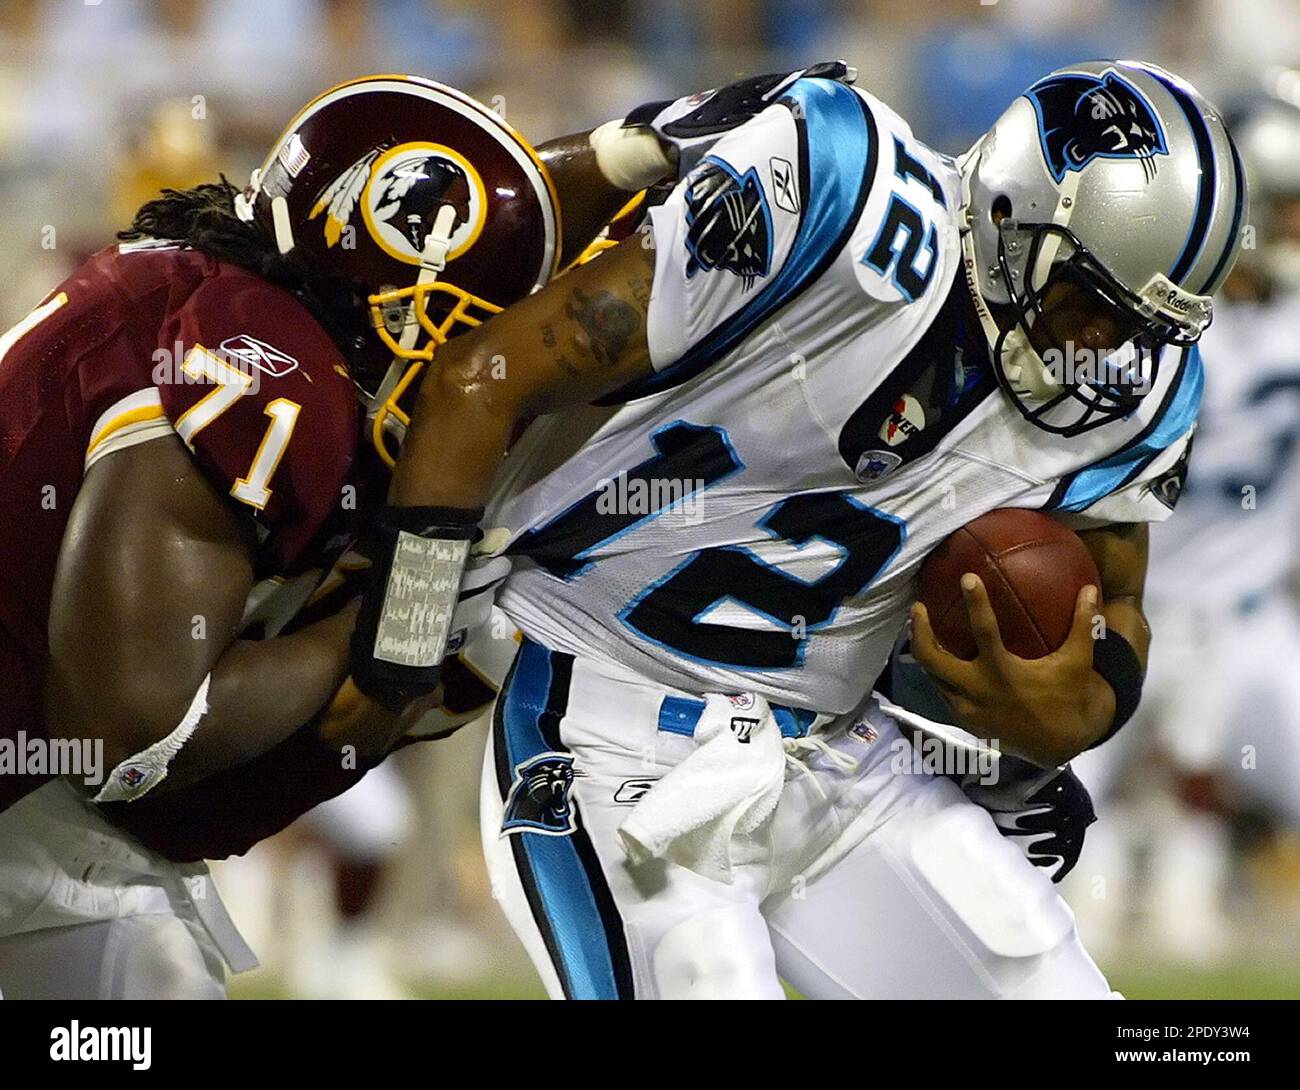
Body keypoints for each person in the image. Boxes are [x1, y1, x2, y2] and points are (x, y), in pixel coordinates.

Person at [351, 61, 1245, 998]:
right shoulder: (840, 190)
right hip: (605, 728)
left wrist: (1062, 722)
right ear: (1016, 209)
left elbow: (1119, 610)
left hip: (843, 757)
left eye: (1146, 328)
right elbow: (478, 380)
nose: (1108, 354)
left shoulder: (1138, 393)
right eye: (1094, 306)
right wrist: (404, 645)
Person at [0, 74, 601, 999]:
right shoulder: (268, 371)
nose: (466, 372)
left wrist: (625, 152)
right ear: (379, 272)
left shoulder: (197, 289)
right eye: (449, 326)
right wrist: (396, 619)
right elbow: (130, 740)